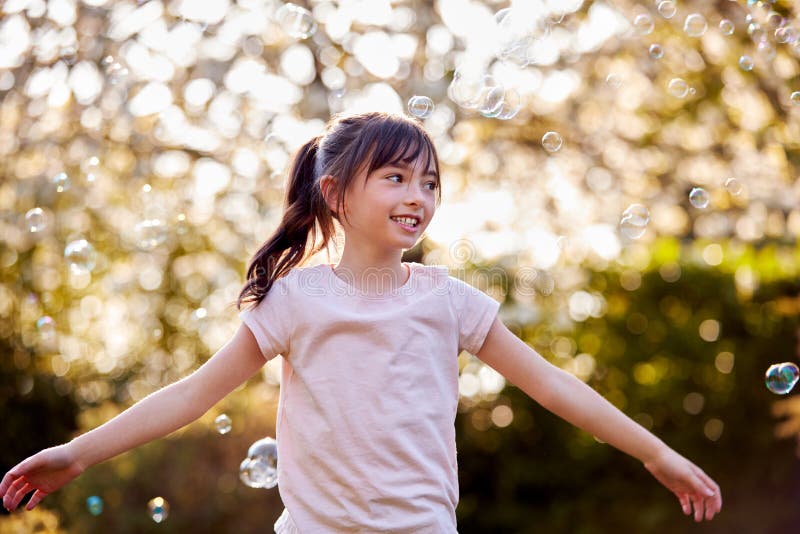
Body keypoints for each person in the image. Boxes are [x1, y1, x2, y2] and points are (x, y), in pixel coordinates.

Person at [0, 111, 722, 532]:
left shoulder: (450, 301)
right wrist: (77, 452)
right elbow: (192, 395)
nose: (419, 196)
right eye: (398, 177)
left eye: (431, 182)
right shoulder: (296, 301)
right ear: (337, 193)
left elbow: (556, 387)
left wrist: (656, 453)